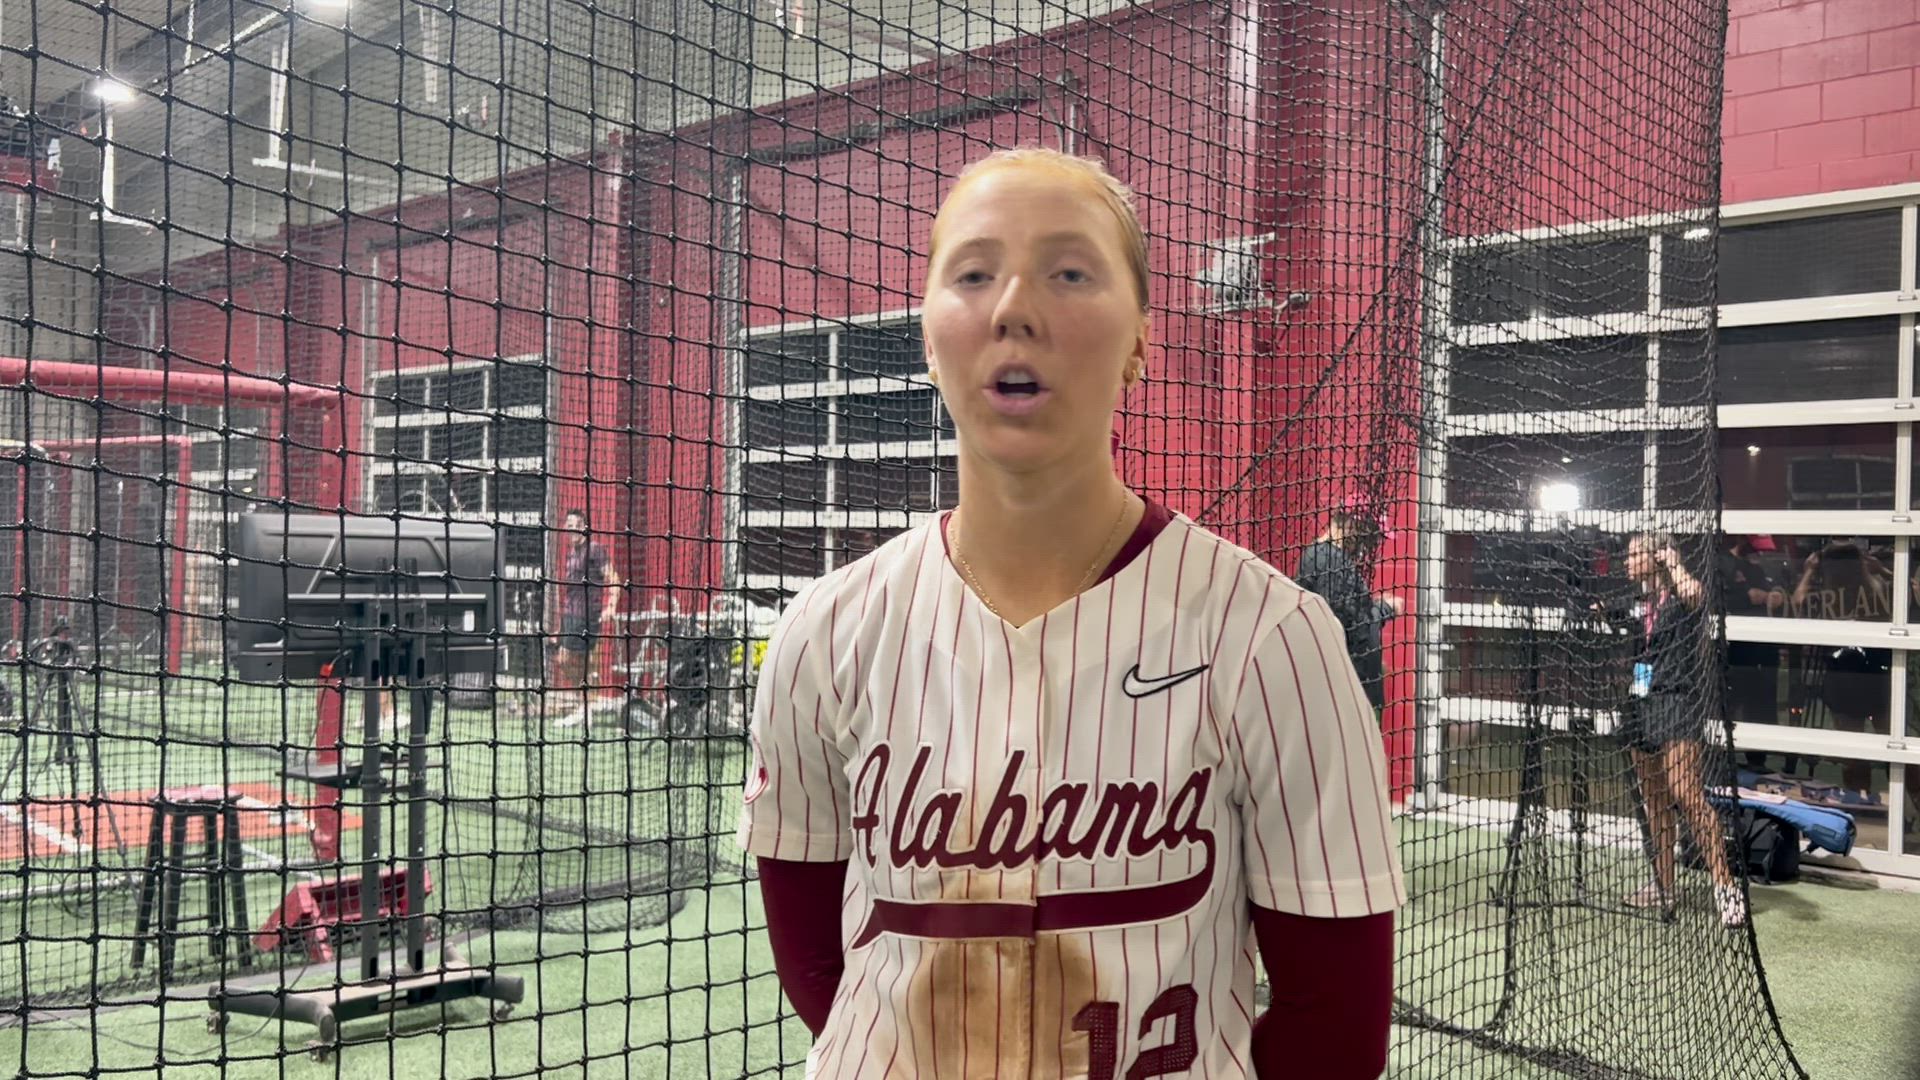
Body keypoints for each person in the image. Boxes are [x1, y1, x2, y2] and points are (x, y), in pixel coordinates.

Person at [739, 148, 1403, 1079]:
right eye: (973, 274)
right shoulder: (823, 630)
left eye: (1069, 273)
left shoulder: (1274, 637)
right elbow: (819, 970)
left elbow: (1332, 1026)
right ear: (929, 337)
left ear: (1139, 341)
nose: (1014, 307)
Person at [1614, 533, 1746, 928]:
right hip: (1641, 705)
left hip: (1677, 703)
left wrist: (1673, 561)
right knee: (1654, 801)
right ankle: (1664, 886)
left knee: (1686, 795)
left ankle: (1726, 889)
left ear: (1657, 556)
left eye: (1634, 554)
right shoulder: (1642, 602)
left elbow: (1696, 596)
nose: (1626, 561)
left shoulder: (1681, 596)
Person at [1296, 497, 1402, 714]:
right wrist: (1386, 609)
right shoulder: (1332, 561)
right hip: (1346, 696)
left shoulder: (1323, 556)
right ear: (1352, 524)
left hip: (1345, 689)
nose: (1371, 543)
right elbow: (1347, 627)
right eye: (1369, 534)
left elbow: (1346, 612)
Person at [550, 508, 621, 727]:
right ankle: (585, 706)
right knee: (565, 659)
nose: (572, 529)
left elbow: (614, 578)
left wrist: (611, 606)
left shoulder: (594, 549)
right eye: (569, 525)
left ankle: (585, 707)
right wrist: (560, 624)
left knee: (574, 661)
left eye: (576, 525)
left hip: (587, 615)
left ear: (584, 527)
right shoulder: (571, 553)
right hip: (570, 615)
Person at [1720, 534, 1782, 771]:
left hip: (1763, 649)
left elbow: (1778, 591)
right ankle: (1723, 758)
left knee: (1761, 704)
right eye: (1755, 548)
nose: (1759, 554)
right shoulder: (1722, 563)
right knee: (1731, 702)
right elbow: (1719, 599)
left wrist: (1776, 595)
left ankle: (1758, 760)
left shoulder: (1760, 567)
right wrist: (1746, 597)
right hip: (1735, 650)